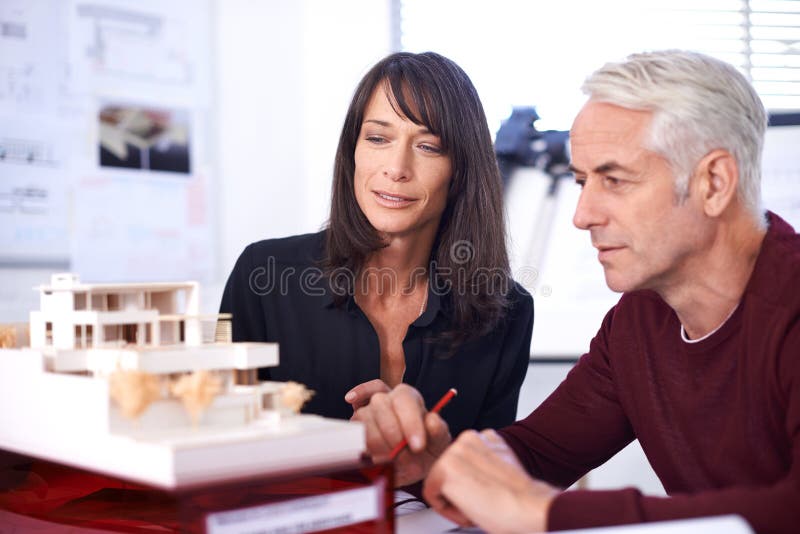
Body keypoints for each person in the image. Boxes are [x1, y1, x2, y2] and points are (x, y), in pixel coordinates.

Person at [356, 50, 800, 532]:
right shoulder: (640, 320)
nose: (582, 215)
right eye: (583, 181)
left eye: (615, 180)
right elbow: (542, 453)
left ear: (713, 183)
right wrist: (438, 461)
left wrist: (542, 511)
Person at [219, 52, 533, 452]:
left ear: (461, 170)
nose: (396, 168)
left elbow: (487, 471)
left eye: (428, 146)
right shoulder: (261, 275)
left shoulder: (507, 311)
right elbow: (218, 440)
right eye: (378, 139)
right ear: (353, 150)